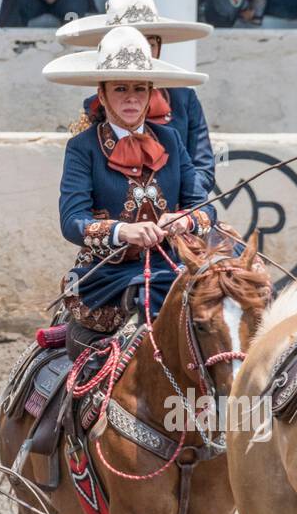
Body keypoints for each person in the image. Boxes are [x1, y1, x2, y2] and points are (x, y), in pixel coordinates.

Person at [42, 26, 215, 346]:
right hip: (107, 274)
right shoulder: (83, 147)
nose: (132, 97)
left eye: (140, 88)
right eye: (121, 88)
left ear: (151, 94)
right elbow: (72, 221)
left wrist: (184, 220)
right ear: (102, 94)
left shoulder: (171, 140)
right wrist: (123, 232)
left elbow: (204, 207)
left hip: (173, 265)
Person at [56, 0, 218, 198]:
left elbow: (202, 168)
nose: (140, 53)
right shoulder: (94, 107)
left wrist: (179, 206)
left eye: (148, 44)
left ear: (159, 46)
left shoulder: (184, 99)